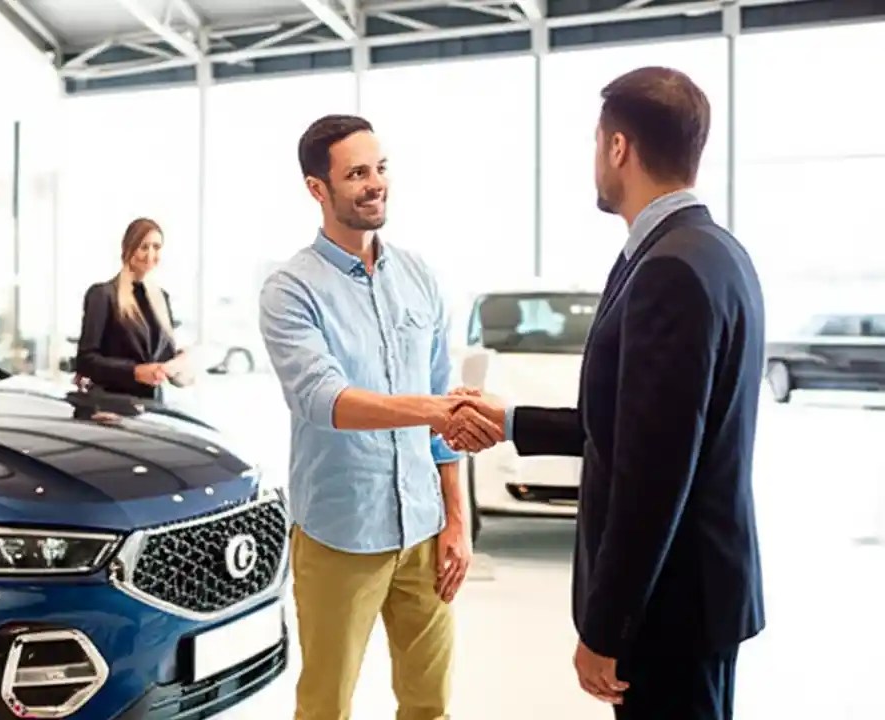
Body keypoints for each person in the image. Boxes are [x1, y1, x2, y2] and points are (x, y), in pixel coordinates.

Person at [448, 67, 766, 720]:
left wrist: (608, 628)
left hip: (668, 609)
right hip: (695, 595)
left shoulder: (669, 269)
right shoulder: (709, 251)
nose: (596, 158)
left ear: (619, 147)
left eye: (598, 143)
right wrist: (510, 421)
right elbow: (634, 425)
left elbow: (653, 475)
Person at [258, 114, 499, 720]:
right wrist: (435, 411)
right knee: (326, 706)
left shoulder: (418, 277)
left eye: (381, 168)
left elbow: (440, 404)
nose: (376, 184)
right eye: (357, 173)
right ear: (318, 188)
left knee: (430, 704)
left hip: (422, 527)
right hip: (341, 533)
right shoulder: (291, 289)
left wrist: (457, 520)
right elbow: (323, 398)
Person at [74, 217, 186, 400]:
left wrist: (178, 363)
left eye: (156, 247)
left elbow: (163, 357)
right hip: (111, 405)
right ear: (128, 249)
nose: (150, 255)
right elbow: (86, 361)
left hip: (151, 406)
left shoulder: (161, 299)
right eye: (144, 247)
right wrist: (135, 372)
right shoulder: (103, 295)